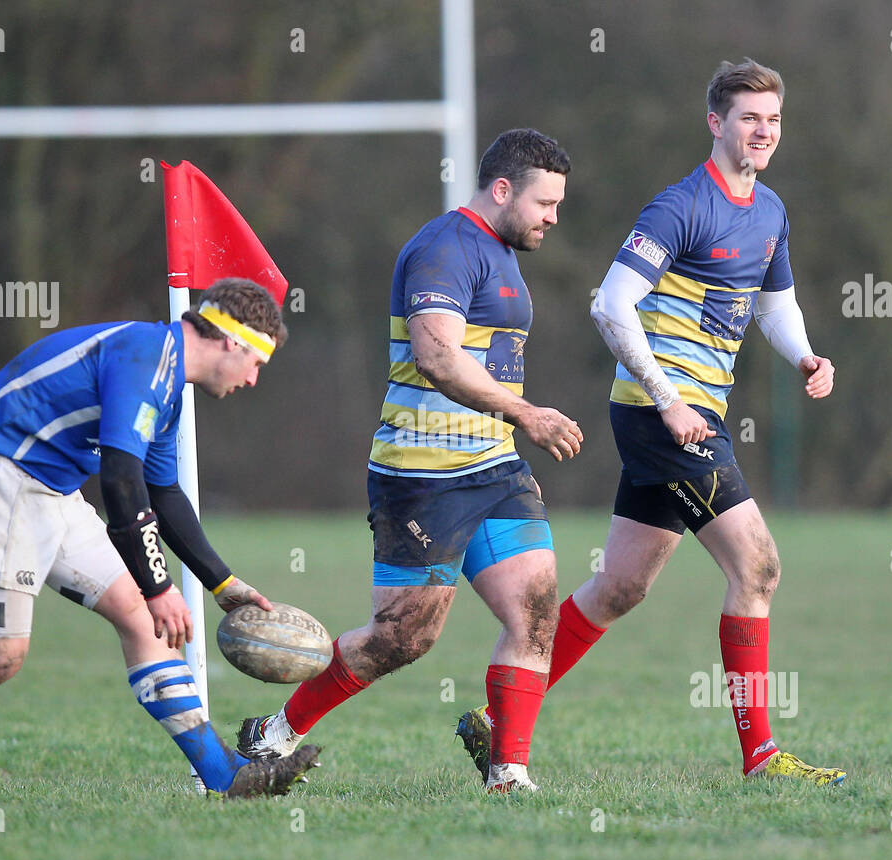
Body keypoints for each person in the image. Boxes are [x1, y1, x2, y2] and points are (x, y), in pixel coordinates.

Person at [456, 59, 847, 786]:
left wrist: (804, 354)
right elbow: (610, 303)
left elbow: (773, 304)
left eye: (773, 120)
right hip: (663, 417)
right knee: (758, 567)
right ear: (715, 123)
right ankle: (761, 757)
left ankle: (495, 715)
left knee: (619, 588)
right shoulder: (679, 207)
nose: (762, 132)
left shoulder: (770, 211)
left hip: (687, 417)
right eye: (748, 118)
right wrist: (668, 397)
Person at [0, 278, 320, 800]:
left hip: (49, 489)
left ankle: (226, 778)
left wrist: (222, 584)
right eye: (256, 364)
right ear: (232, 341)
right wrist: (159, 586)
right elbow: (119, 478)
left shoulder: (168, 387)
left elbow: (163, 495)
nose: (252, 380)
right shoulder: (146, 354)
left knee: (143, 622)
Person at [238, 129, 583, 792]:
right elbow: (437, 357)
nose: (553, 217)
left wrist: (511, 427)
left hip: (496, 471)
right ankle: (273, 734)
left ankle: (509, 775)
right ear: (503, 189)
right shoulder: (445, 248)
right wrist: (527, 413)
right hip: (423, 477)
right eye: (545, 202)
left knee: (536, 613)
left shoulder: (502, 252)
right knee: (402, 638)